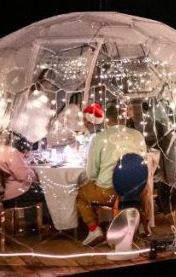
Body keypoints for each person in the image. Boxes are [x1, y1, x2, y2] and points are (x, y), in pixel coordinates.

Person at [75, 103, 147, 246]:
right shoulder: (138, 135)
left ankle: (94, 229)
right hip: (136, 190)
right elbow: (142, 162)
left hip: (108, 192)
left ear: (107, 120)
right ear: (125, 118)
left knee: (81, 195)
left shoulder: (99, 138)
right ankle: (137, 226)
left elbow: (91, 173)